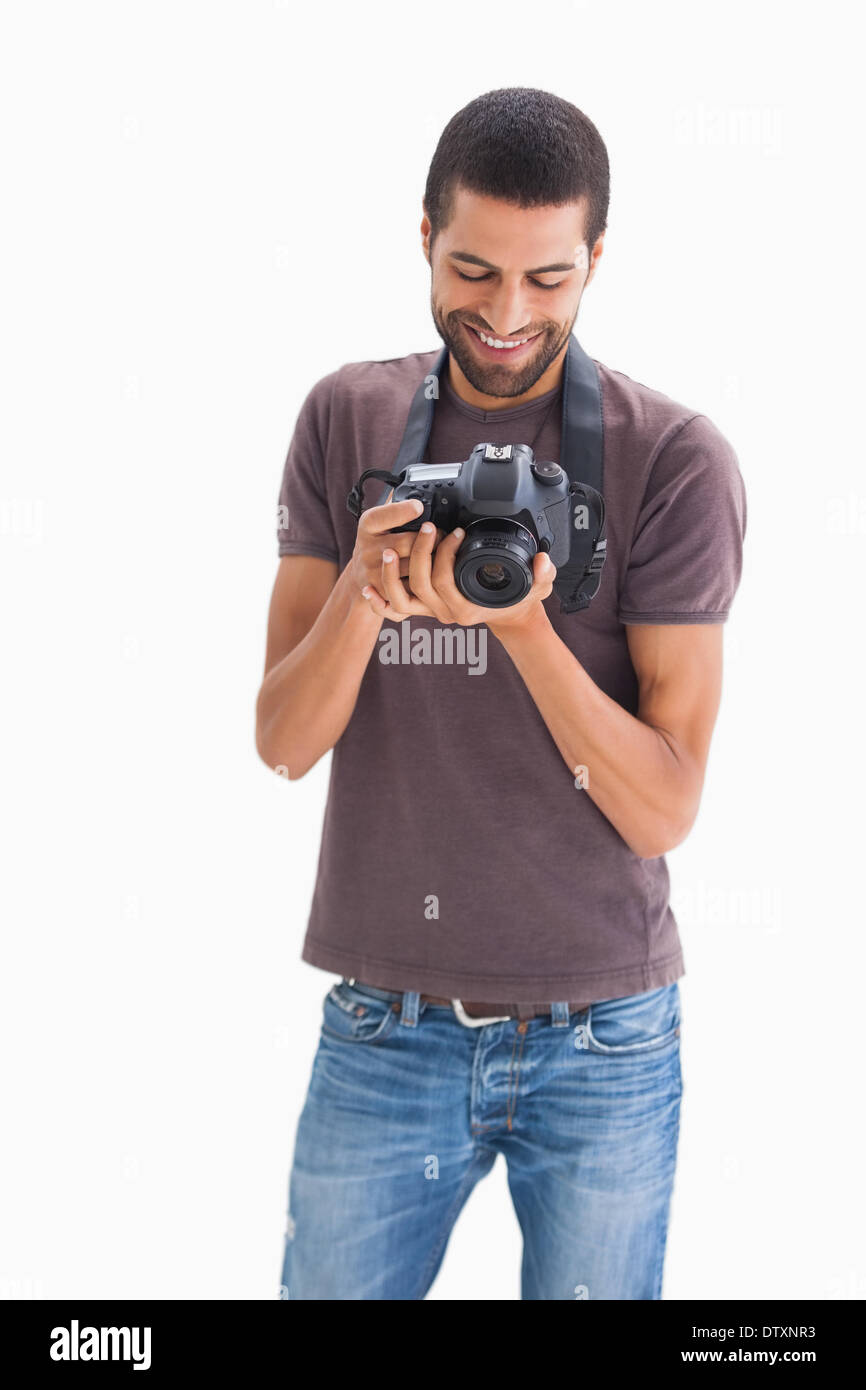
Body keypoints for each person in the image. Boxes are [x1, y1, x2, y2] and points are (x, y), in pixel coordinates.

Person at [256, 87, 747, 1300]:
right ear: (423, 234)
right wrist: (363, 598)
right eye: (473, 270)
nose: (507, 314)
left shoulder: (673, 459)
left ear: (593, 259)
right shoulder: (345, 417)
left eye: (547, 280)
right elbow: (279, 741)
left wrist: (521, 622)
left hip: (606, 1035)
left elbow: (661, 808)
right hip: (383, 1019)